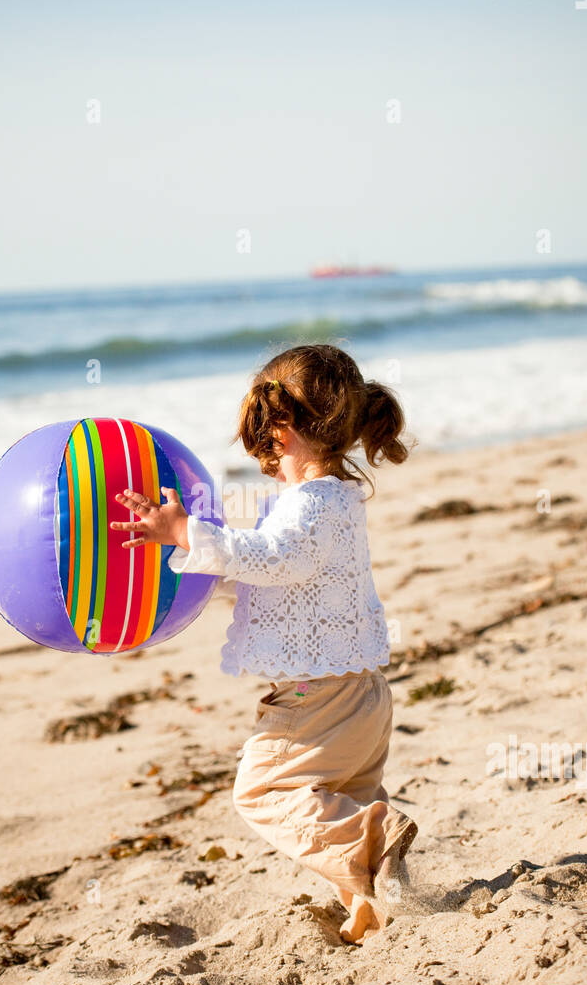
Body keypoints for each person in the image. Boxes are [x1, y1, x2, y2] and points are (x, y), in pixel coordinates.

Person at [110, 344, 416, 942]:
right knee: (338, 801)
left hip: (317, 699)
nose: (263, 466)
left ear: (286, 429)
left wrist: (186, 530)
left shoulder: (312, 503)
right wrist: (191, 556)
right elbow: (272, 577)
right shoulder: (331, 502)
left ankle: (373, 842)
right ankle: (373, 914)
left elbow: (272, 560)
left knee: (261, 792)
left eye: (264, 449)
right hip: (359, 695)